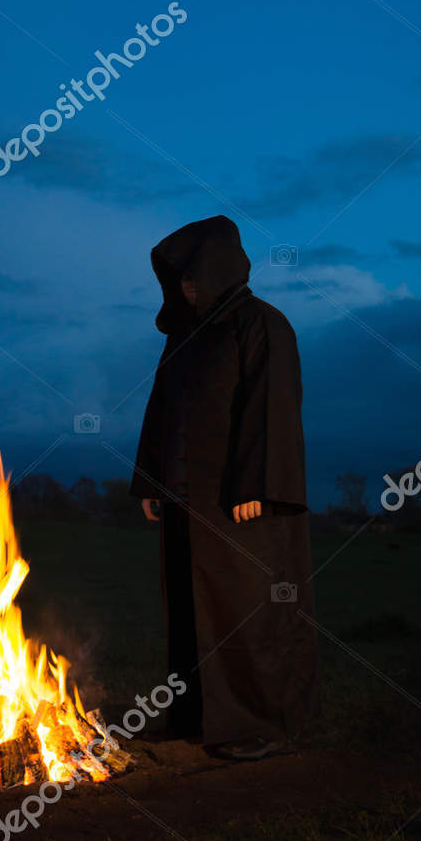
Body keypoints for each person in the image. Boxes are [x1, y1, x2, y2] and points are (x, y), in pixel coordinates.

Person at [131, 214, 317, 761]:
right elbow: (161, 408)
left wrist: (254, 484)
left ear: (220, 269)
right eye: (180, 277)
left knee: (250, 610)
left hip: (244, 501)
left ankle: (258, 725)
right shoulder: (184, 338)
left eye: (195, 274)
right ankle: (193, 717)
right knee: (191, 609)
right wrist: (151, 479)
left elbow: (272, 409)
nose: (187, 285)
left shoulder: (263, 325)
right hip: (187, 499)